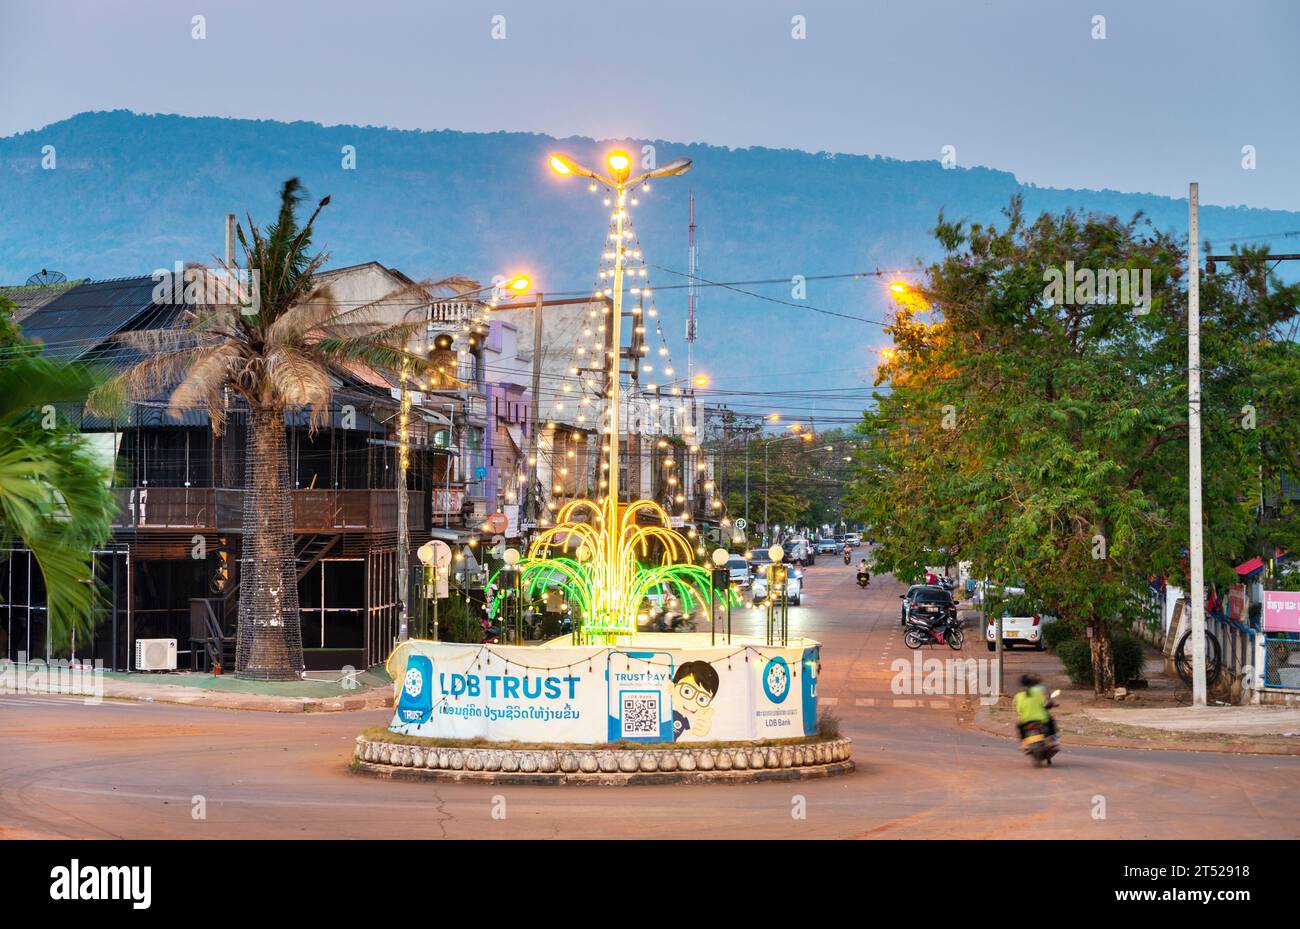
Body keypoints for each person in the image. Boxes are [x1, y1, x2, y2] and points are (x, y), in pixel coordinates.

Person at [1013, 673, 1057, 742]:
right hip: (1041, 718)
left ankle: (1024, 744)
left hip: (1025, 720)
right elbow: (1046, 703)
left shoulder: (1018, 696)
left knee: (1019, 727)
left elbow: (1017, 709)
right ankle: (1050, 741)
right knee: (1051, 723)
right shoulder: (1039, 691)